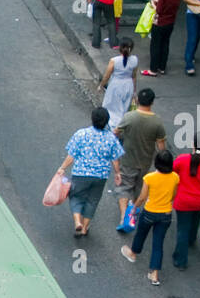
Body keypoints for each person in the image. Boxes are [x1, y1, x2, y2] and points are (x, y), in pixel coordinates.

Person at [56, 107, 124, 237]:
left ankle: (77, 221)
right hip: (101, 176)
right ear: (106, 121)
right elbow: (115, 159)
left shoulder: (81, 134)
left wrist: (62, 168)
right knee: (93, 200)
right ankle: (85, 228)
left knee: (76, 196)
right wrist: (117, 173)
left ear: (92, 119)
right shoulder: (111, 138)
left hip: (81, 173)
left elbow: (72, 155)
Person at [120, 149, 179, 285]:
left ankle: (133, 253)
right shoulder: (175, 177)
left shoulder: (149, 178)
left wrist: (135, 207)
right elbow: (173, 196)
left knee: (141, 234)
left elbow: (142, 197)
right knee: (158, 243)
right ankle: (154, 274)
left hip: (149, 212)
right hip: (166, 214)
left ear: (156, 162)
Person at [114, 88, 167, 232]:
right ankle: (133, 211)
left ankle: (124, 217)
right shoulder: (157, 122)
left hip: (127, 160)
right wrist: (162, 163)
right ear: (152, 102)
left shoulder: (129, 117)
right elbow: (161, 146)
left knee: (124, 187)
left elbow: (116, 132)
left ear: (137, 100)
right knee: (139, 188)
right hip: (145, 162)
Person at [172, 142, 200, 269]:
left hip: (183, 201)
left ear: (193, 144)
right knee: (195, 221)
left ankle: (180, 261)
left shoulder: (182, 160)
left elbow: (171, 173)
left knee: (182, 229)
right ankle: (191, 240)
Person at [141, 0, 181, 76]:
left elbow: (158, 11)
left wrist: (153, 3)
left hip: (160, 23)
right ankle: (162, 67)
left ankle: (153, 70)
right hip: (170, 23)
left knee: (155, 46)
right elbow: (171, 4)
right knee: (165, 44)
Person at [99, 40, 137, 131]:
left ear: (120, 48)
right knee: (124, 108)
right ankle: (120, 127)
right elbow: (134, 76)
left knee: (112, 107)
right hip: (129, 85)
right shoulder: (135, 60)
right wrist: (134, 91)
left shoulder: (114, 61)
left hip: (116, 85)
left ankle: (112, 128)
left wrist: (101, 85)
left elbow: (107, 76)